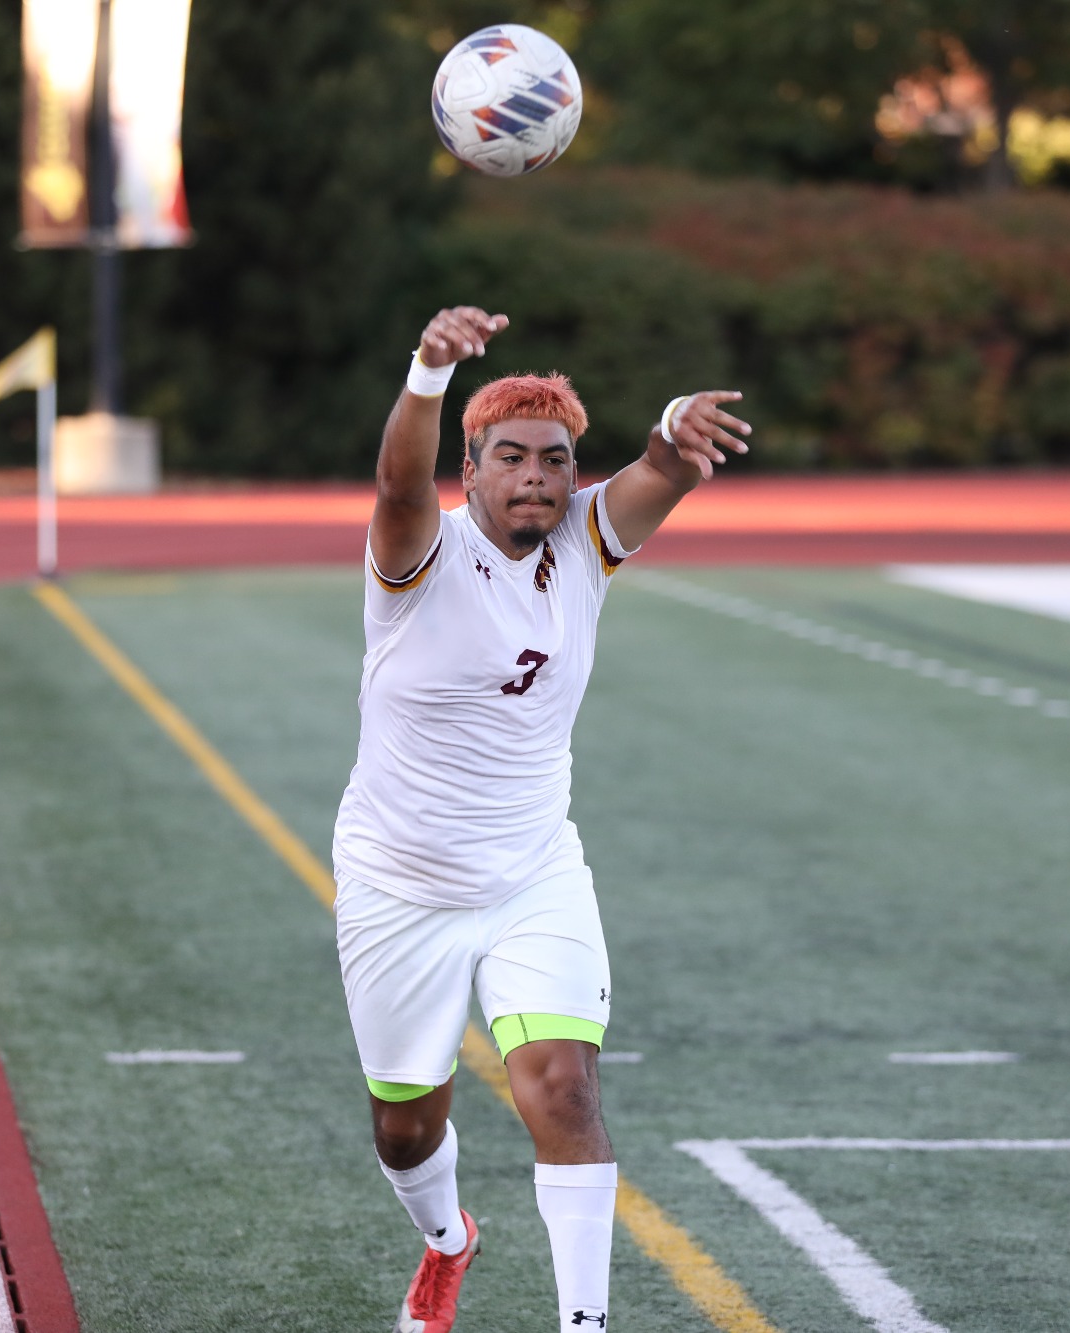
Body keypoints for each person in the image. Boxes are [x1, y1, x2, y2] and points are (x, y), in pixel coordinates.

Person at [330, 305, 749, 1333]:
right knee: (401, 1126)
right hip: (397, 883)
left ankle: (583, 1324)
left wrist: (672, 435)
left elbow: (656, 473)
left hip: (531, 875)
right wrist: (428, 371)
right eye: (508, 456)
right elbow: (394, 484)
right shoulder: (417, 554)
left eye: (554, 459)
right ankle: (445, 1242)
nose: (535, 475)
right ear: (467, 471)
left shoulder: (583, 541)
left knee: (561, 1087)